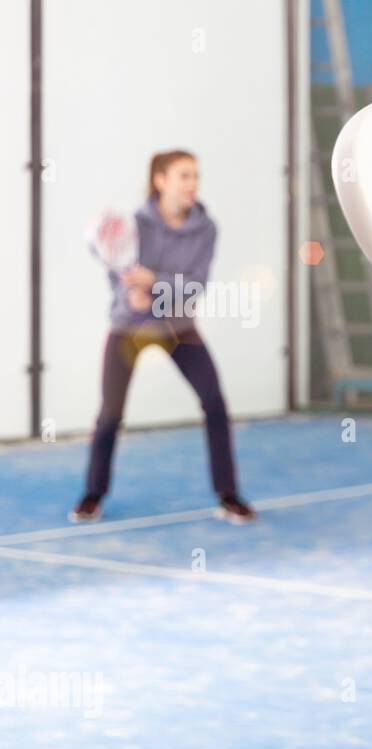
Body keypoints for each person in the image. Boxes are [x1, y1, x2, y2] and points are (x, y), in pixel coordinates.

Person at [69, 150, 256, 525]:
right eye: (183, 176)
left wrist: (153, 284)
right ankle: (93, 494)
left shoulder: (207, 228)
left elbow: (196, 286)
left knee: (215, 404)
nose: (192, 184)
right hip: (130, 327)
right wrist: (131, 295)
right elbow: (118, 276)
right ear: (160, 180)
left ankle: (228, 495)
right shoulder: (134, 224)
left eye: (195, 176)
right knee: (110, 414)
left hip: (178, 328)